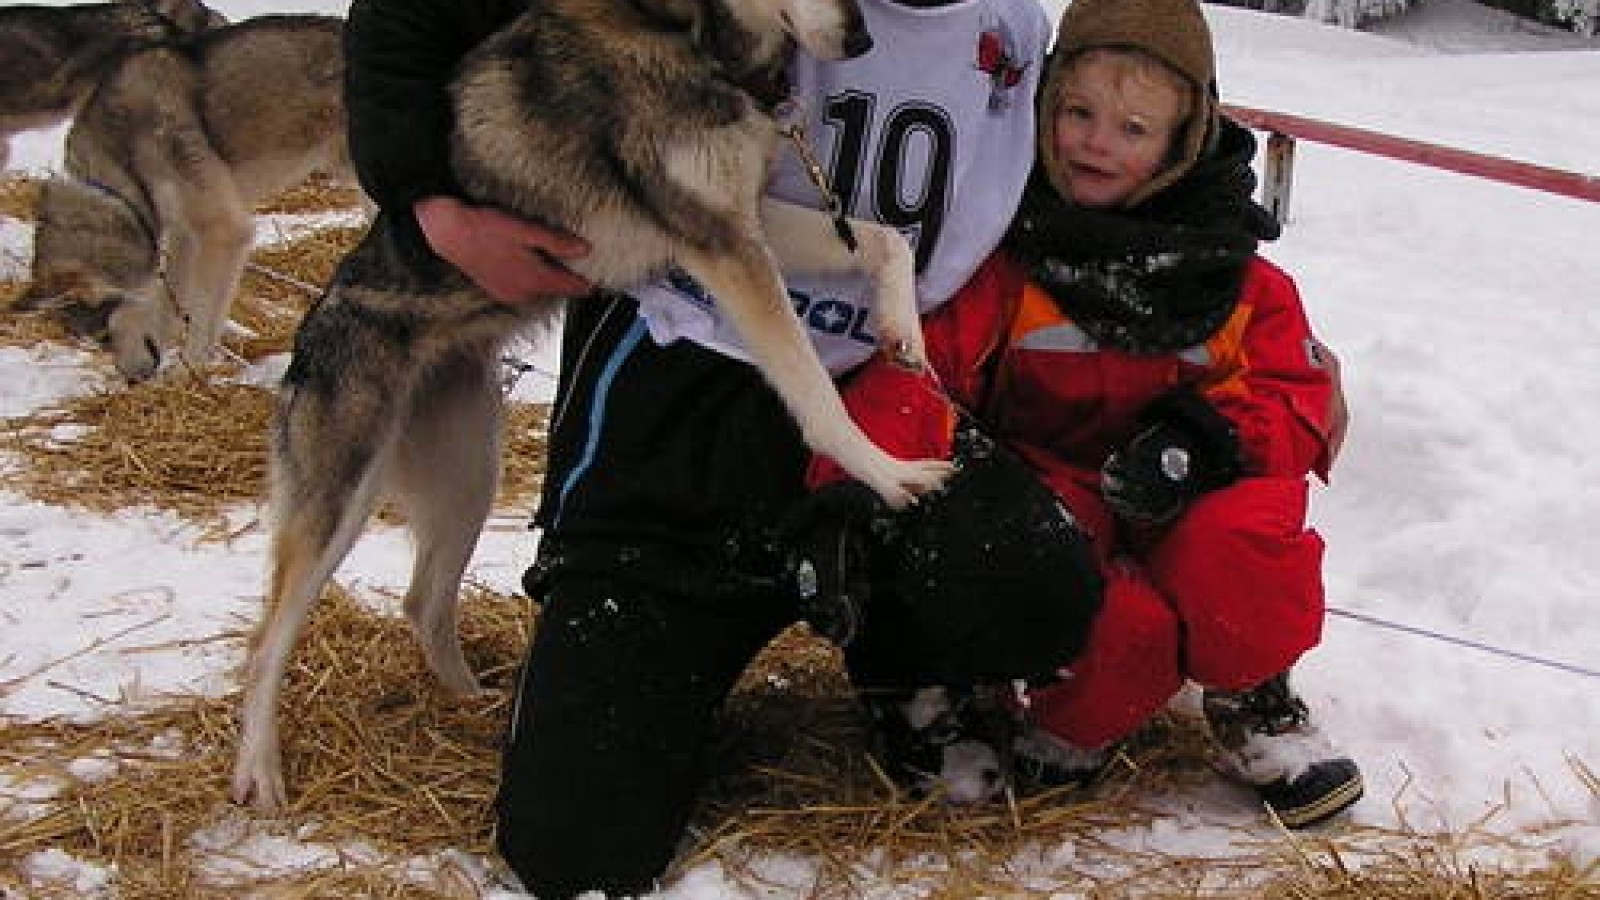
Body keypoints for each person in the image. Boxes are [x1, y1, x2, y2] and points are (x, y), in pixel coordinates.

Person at [342, 0, 1109, 895]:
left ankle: (900, 663)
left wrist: (1232, 314)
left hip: (881, 399)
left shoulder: (1010, 25)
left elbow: (1113, 137)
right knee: (574, 843)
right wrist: (430, 204)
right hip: (679, 392)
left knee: (1034, 586)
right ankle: (667, 661)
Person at [818, 0, 1364, 829]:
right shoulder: (1007, 259)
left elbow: (1297, 401)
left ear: (1182, 141)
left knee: (1246, 536)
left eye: (1134, 127)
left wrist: (1207, 439)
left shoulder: (1240, 282)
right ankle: (1073, 719)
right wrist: (848, 485)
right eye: (1077, 113)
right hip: (1060, 486)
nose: (1096, 141)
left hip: (1189, 488)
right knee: (1108, 619)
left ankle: (1255, 692)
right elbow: (916, 376)